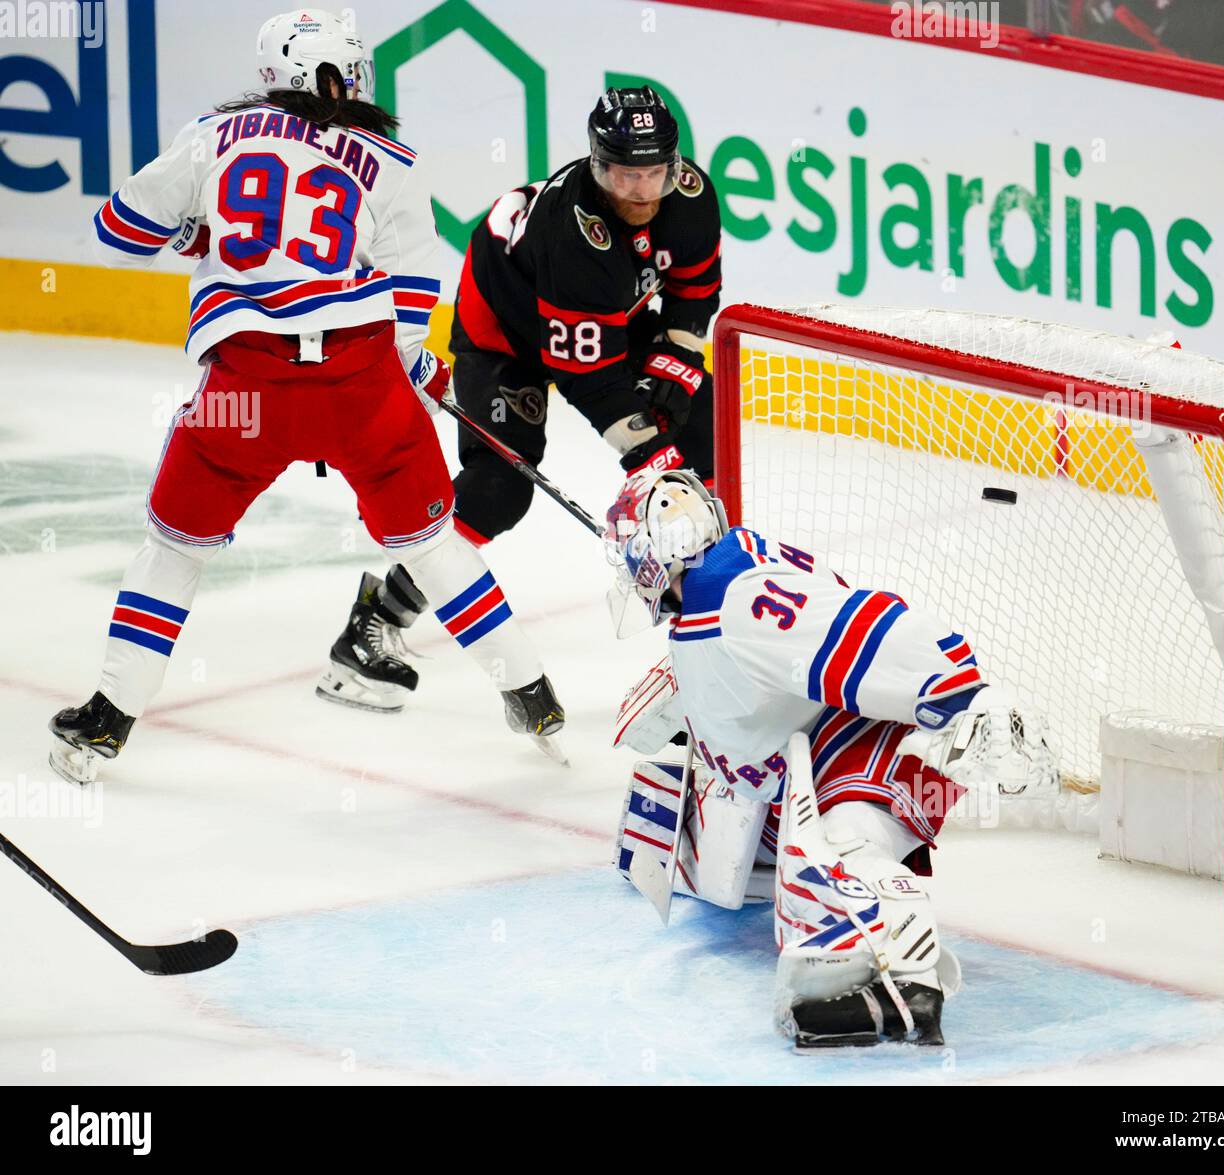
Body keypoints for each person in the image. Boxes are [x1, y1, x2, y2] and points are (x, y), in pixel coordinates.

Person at [48, 8, 562, 785]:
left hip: (245, 393)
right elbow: (415, 284)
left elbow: (118, 229)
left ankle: (107, 718)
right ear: (341, 72)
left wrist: (197, 234)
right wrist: (415, 368)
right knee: (432, 546)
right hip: (362, 383)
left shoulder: (211, 135)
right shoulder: (390, 153)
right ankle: (530, 691)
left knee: (175, 548)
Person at [606, 469, 1059, 1048]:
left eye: (631, 551)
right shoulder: (717, 591)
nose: (628, 567)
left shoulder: (735, 594)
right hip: (818, 749)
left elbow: (865, 628)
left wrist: (962, 698)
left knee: (839, 846)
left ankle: (904, 985)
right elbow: (761, 672)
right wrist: (684, 690)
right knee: (759, 856)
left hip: (884, 742)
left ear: (658, 551)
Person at [316, 85, 722, 712]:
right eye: (623, 173)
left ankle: (719, 595)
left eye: (653, 172)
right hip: (504, 336)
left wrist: (680, 360)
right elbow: (593, 381)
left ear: (673, 163)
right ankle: (374, 621)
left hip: (608, 318)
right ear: (596, 164)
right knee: (498, 490)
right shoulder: (574, 231)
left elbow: (695, 290)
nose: (641, 190)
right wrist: (653, 470)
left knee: (703, 421)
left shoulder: (690, 197)